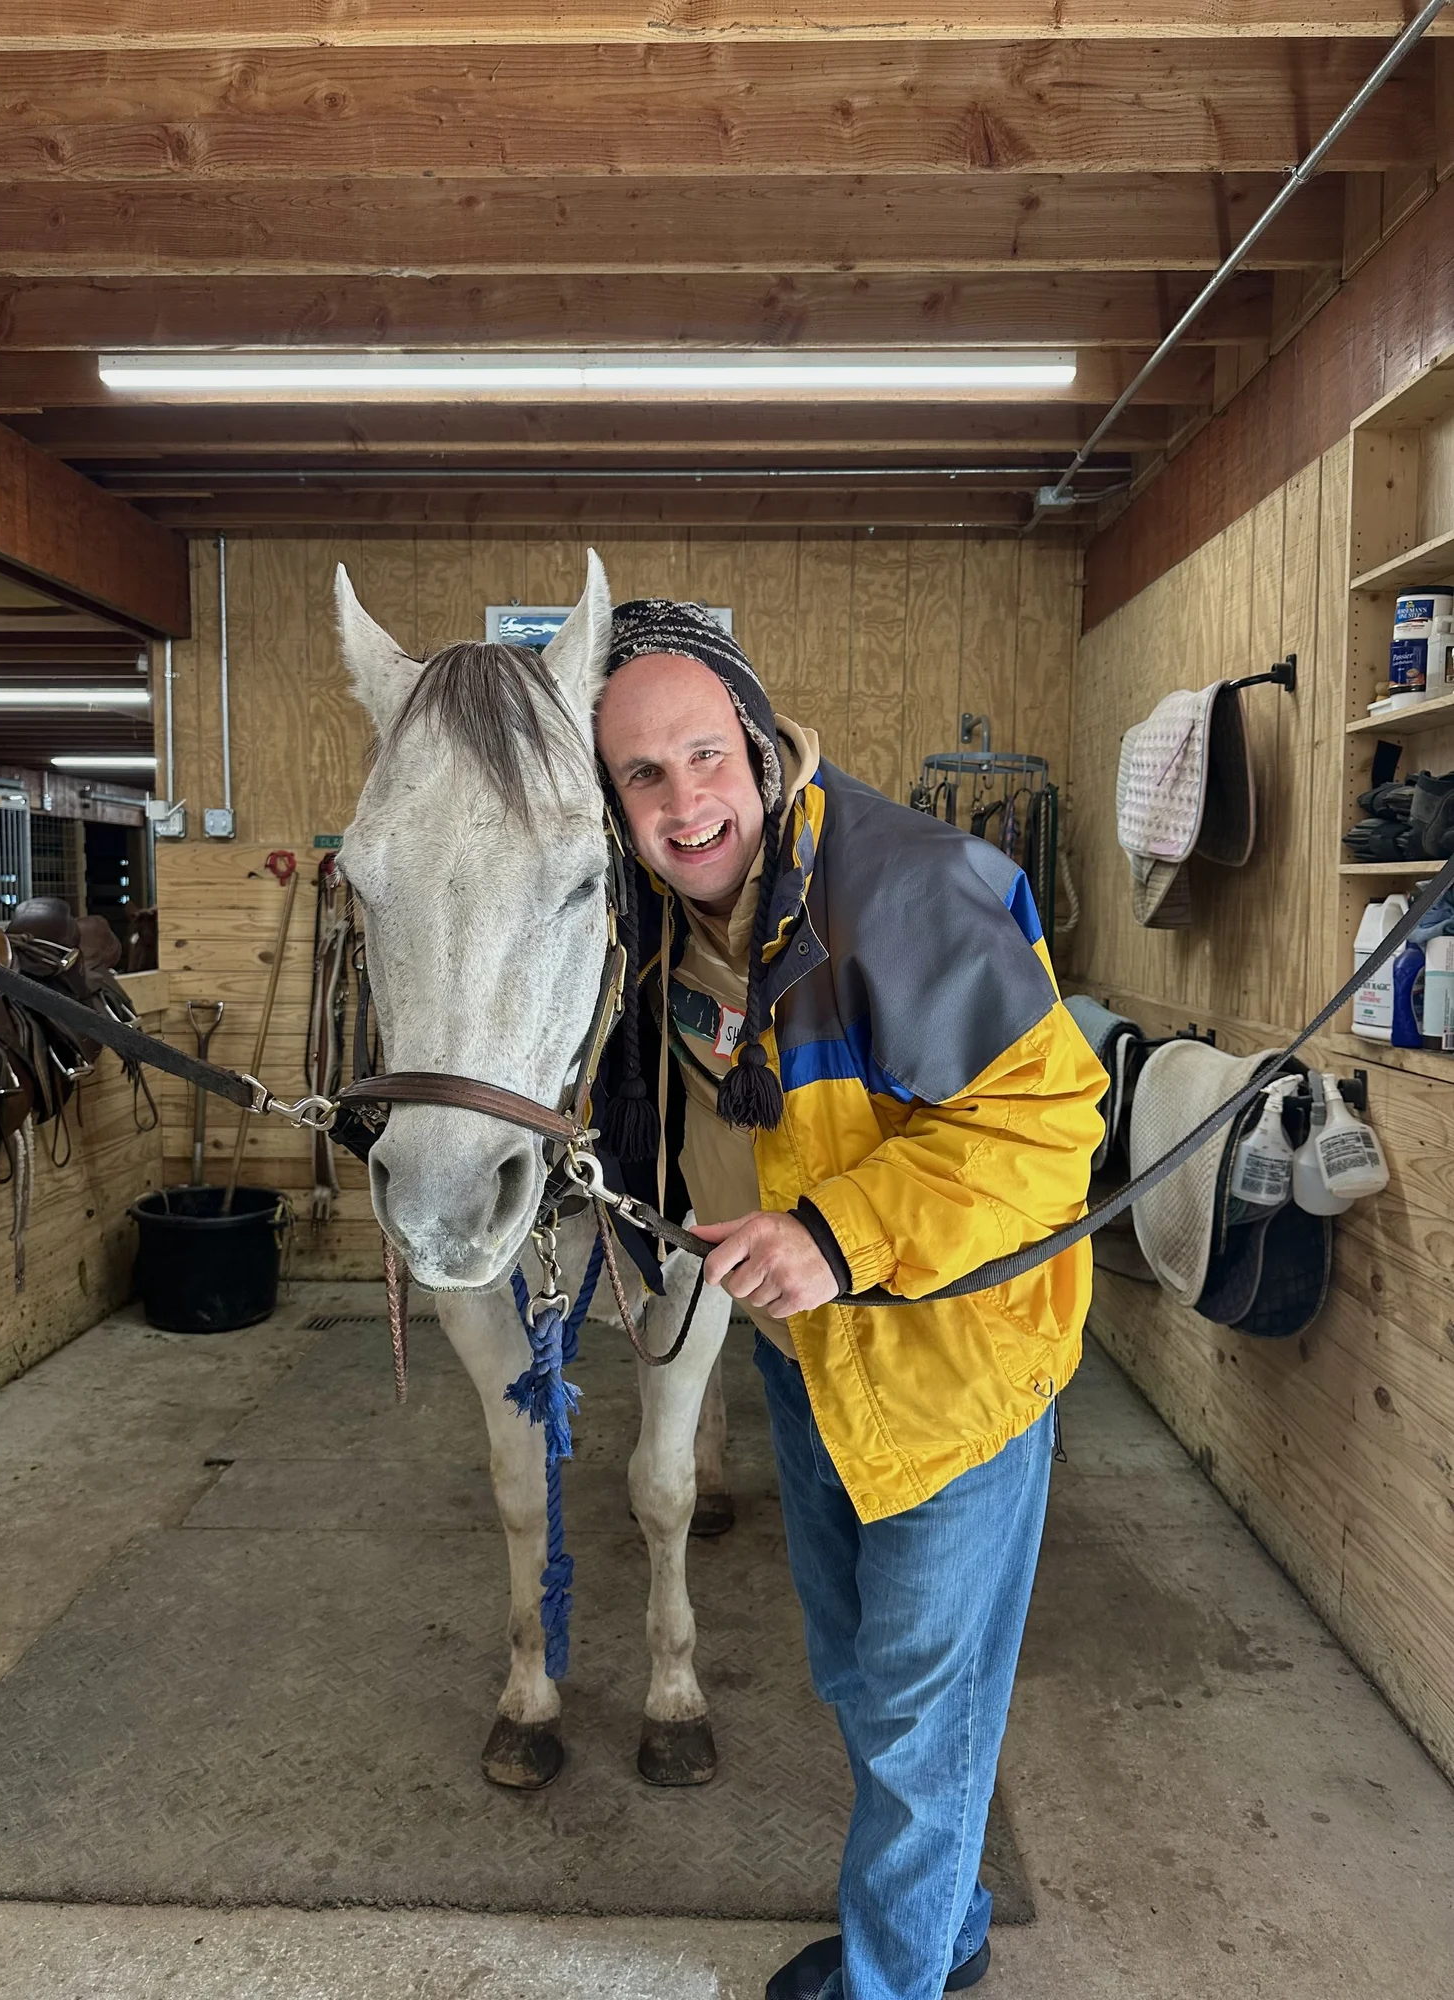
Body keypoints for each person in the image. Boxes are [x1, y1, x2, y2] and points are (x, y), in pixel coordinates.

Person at [592, 598, 1107, 2000]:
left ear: (759, 741)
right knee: (865, 1687)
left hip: (950, 1377)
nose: (683, 801)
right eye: (644, 774)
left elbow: (1053, 1126)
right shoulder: (659, 917)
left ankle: (895, 1978)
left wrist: (836, 1231)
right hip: (805, 1363)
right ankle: (941, 1922)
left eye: (705, 754)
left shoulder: (904, 887)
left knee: (924, 1724)